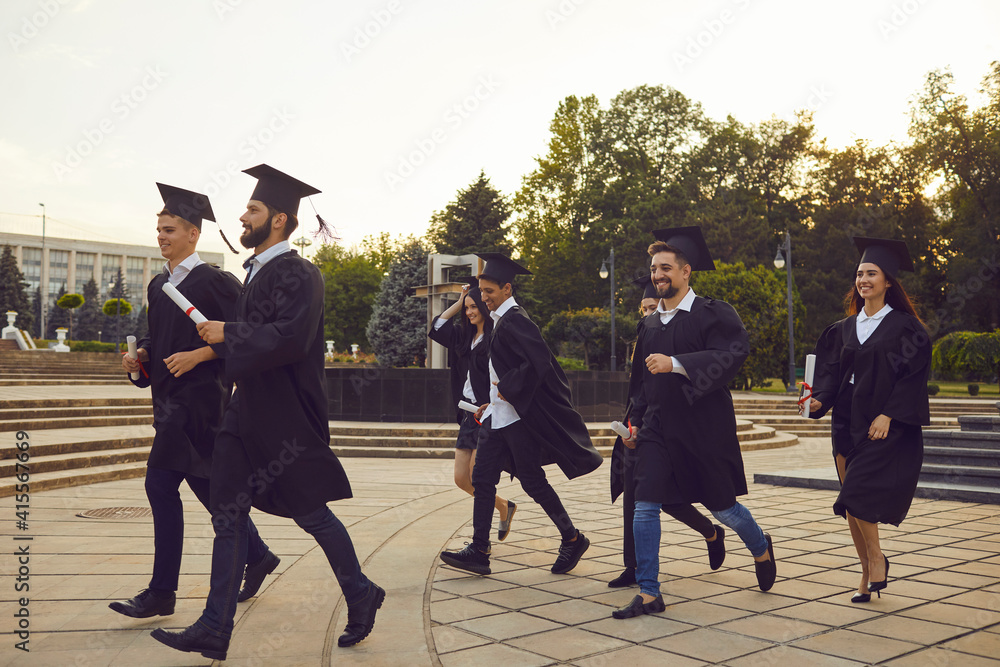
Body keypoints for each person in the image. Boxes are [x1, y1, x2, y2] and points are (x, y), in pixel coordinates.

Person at [151, 165, 382, 661]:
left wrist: (226, 334)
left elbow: (290, 339)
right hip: (242, 413)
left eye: (252, 209)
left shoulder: (299, 272)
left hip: (285, 416)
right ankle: (215, 626)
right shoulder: (255, 272)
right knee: (228, 516)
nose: (242, 215)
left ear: (278, 219)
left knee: (310, 513)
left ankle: (361, 591)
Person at [112, 184, 276, 620]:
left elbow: (248, 335)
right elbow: (159, 337)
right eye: (159, 229)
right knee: (210, 490)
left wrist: (203, 353)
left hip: (201, 404)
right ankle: (257, 555)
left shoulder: (216, 282)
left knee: (160, 486)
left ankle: (162, 592)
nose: (161, 236)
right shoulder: (159, 284)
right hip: (168, 403)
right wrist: (141, 355)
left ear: (192, 234)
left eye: (169, 230)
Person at [616, 227, 775, 620]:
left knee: (723, 508)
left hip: (703, 429)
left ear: (686, 271)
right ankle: (650, 592)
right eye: (654, 268)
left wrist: (679, 365)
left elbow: (735, 353)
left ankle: (760, 545)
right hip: (656, 430)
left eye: (665, 268)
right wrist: (634, 426)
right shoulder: (649, 325)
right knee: (645, 506)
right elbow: (640, 384)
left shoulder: (712, 313)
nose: (658, 275)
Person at [440, 253, 603, 576]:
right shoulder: (500, 319)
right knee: (483, 479)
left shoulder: (516, 319)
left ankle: (572, 537)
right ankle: (480, 550)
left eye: (488, 291)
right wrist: (491, 400)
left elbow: (541, 363)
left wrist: (509, 389)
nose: (483, 297)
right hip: (497, 416)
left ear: (507, 289)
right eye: (481, 291)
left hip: (516, 420)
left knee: (532, 481)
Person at [805, 237, 930, 603]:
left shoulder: (905, 328)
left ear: (888, 280)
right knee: (852, 506)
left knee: (856, 493)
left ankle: (877, 559)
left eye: (871, 273)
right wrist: (817, 403)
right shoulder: (842, 329)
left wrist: (889, 413)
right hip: (845, 420)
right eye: (860, 274)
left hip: (881, 422)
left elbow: (913, 375)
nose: (863, 280)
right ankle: (866, 573)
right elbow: (829, 376)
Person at [607, 274, 724, 589]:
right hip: (644, 422)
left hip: (678, 424)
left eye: (652, 306)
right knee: (636, 496)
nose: (647, 314)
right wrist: (632, 423)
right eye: (643, 308)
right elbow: (638, 387)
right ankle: (634, 567)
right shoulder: (646, 331)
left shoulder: (681, 329)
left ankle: (712, 532)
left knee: (670, 498)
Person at [428, 279, 515, 540]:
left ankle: (480, 540)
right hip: (467, 416)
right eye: (467, 308)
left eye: (474, 306)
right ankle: (504, 506)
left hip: (486, 416)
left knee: (480, 479)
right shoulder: (464, 338)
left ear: (485, 307)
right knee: (460, 480)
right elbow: (437, 326)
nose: (469, 312)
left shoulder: (494, 337)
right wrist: (459, 300)